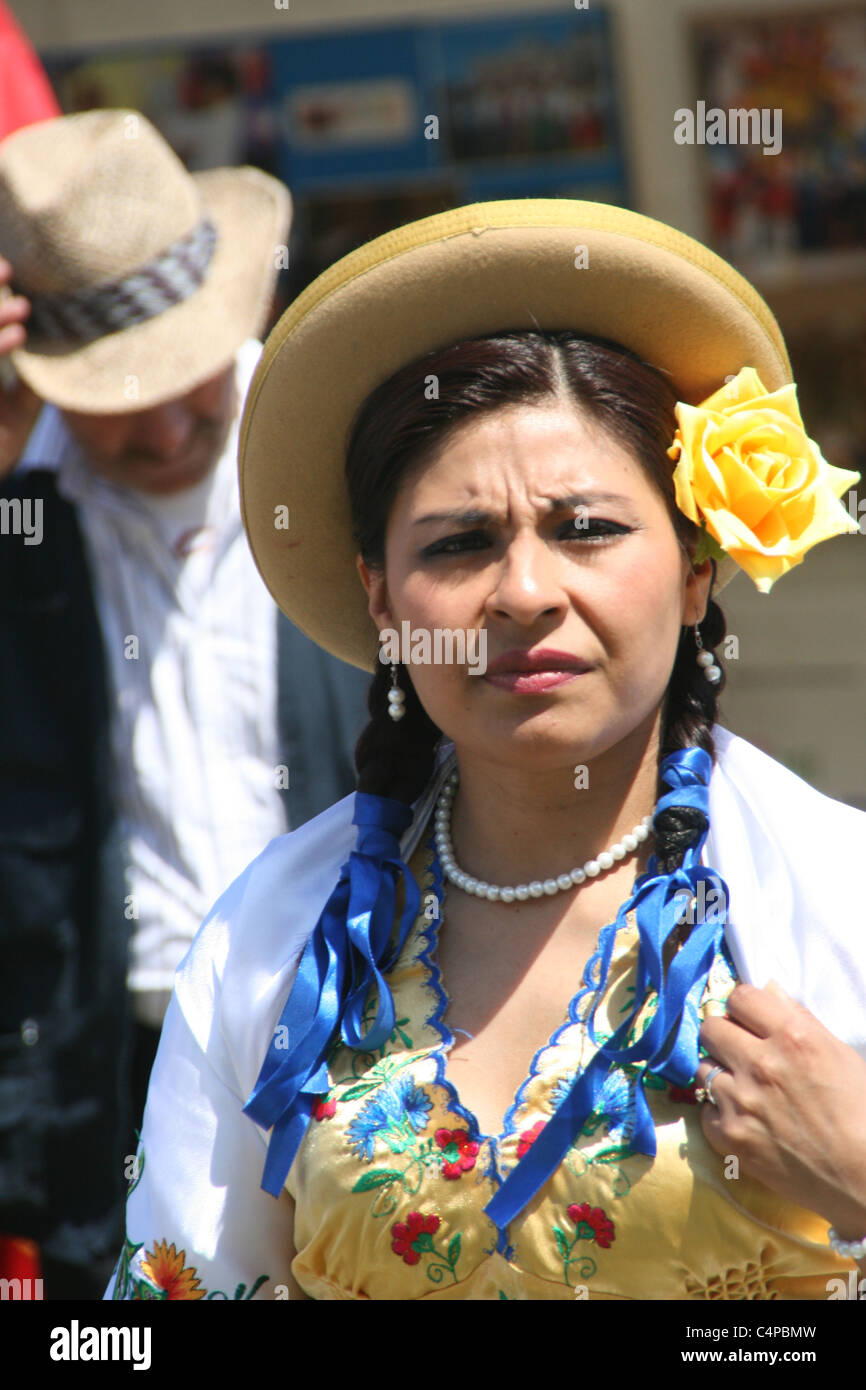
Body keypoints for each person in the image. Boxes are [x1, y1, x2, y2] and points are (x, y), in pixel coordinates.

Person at [105, 199, 866, 1302]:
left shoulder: (836, 895)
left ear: (696, 566)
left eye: (586, 528)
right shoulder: (268, 940)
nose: (521, 593)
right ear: (381, 598)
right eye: (459, 543)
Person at [0, 109, 369, 1299]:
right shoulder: (17, 501)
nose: (164, 426)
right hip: (99, 1087)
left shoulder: (347, 458)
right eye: (120, 394)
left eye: (185, 380)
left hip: (369, 1038)